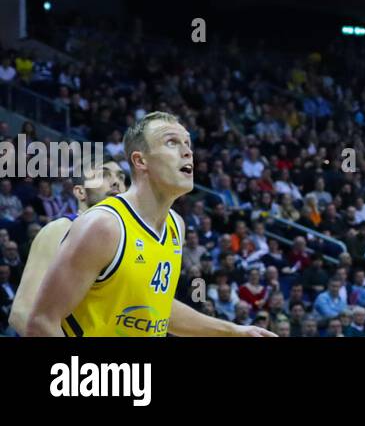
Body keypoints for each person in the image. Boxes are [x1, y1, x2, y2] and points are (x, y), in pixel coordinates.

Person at [24, 112, 274, 336]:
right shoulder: (104, 226)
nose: (187, 152)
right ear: (140, 161)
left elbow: (157, 307)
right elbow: (41, 324)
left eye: (187, 143)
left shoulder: (176, 226)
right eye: (172, 143)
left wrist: (233, 331)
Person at [8, 162, 125, 334]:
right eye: (103, 175)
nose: (116, 182)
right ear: (80, 192)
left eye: (121, 177)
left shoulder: (127, 239)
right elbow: (22, 313)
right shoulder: (62, 229)